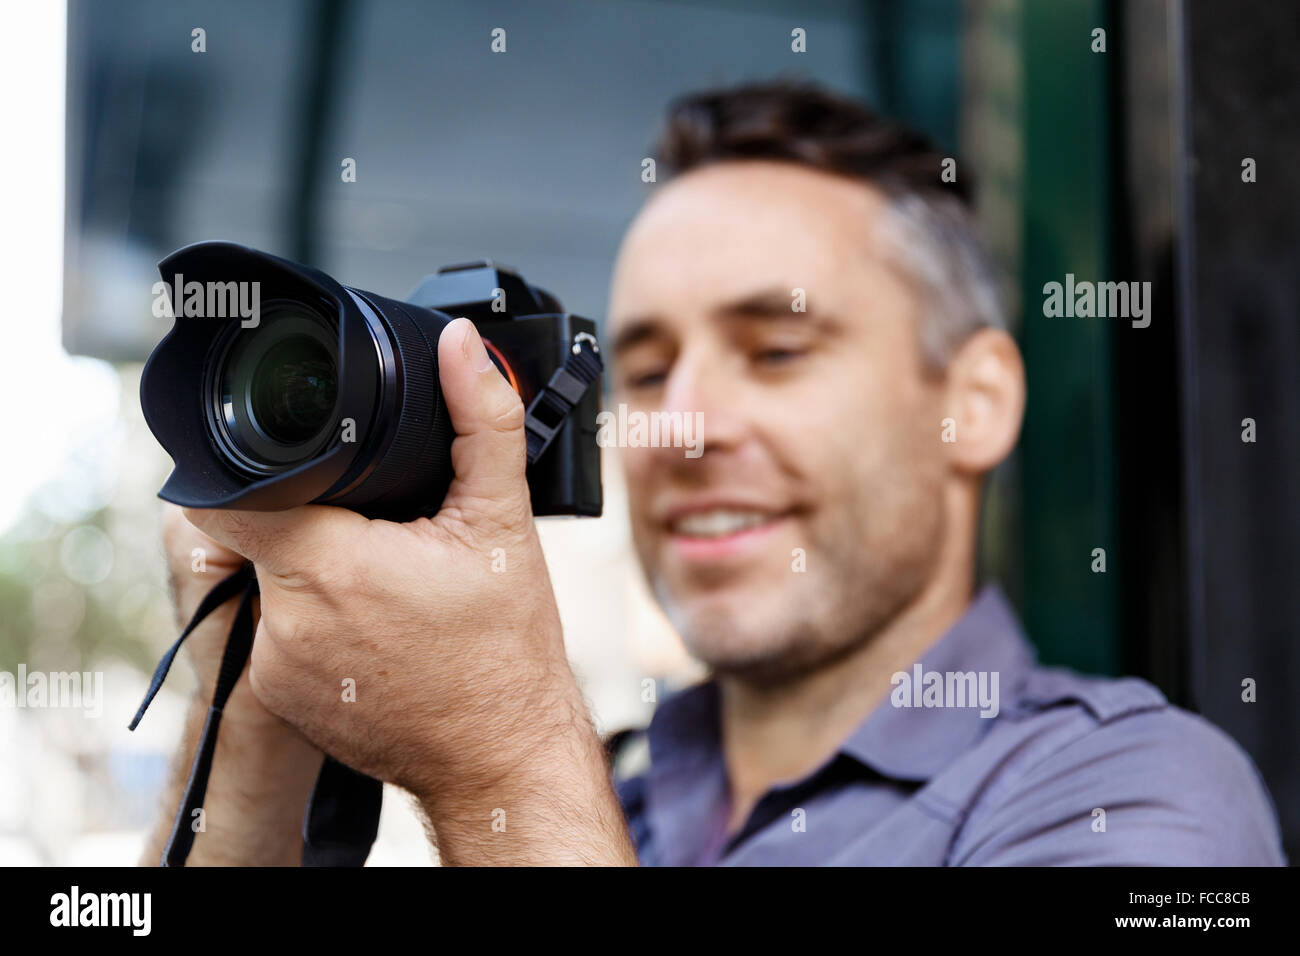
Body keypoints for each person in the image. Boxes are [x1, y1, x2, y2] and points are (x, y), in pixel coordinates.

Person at [142, 80, 1285, 866]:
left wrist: (503, 749)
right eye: (640, 368)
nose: (678, 425)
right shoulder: (618, 792)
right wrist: (247, 699)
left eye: (777, 349)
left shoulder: (1131, 792)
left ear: (972, 402)